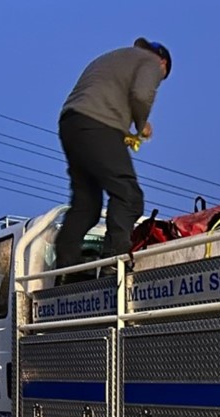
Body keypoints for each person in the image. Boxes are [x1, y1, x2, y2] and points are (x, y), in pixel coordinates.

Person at [54, 38, 172, 274]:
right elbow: (141, 94)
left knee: (86, 204)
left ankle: (65, 270)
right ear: (163, 62)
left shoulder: (114, 57)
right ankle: (114, 261)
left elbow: (103, 96)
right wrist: (141, 125)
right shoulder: (151, 62)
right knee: (129, 196)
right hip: (98, 126)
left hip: (71, 124)